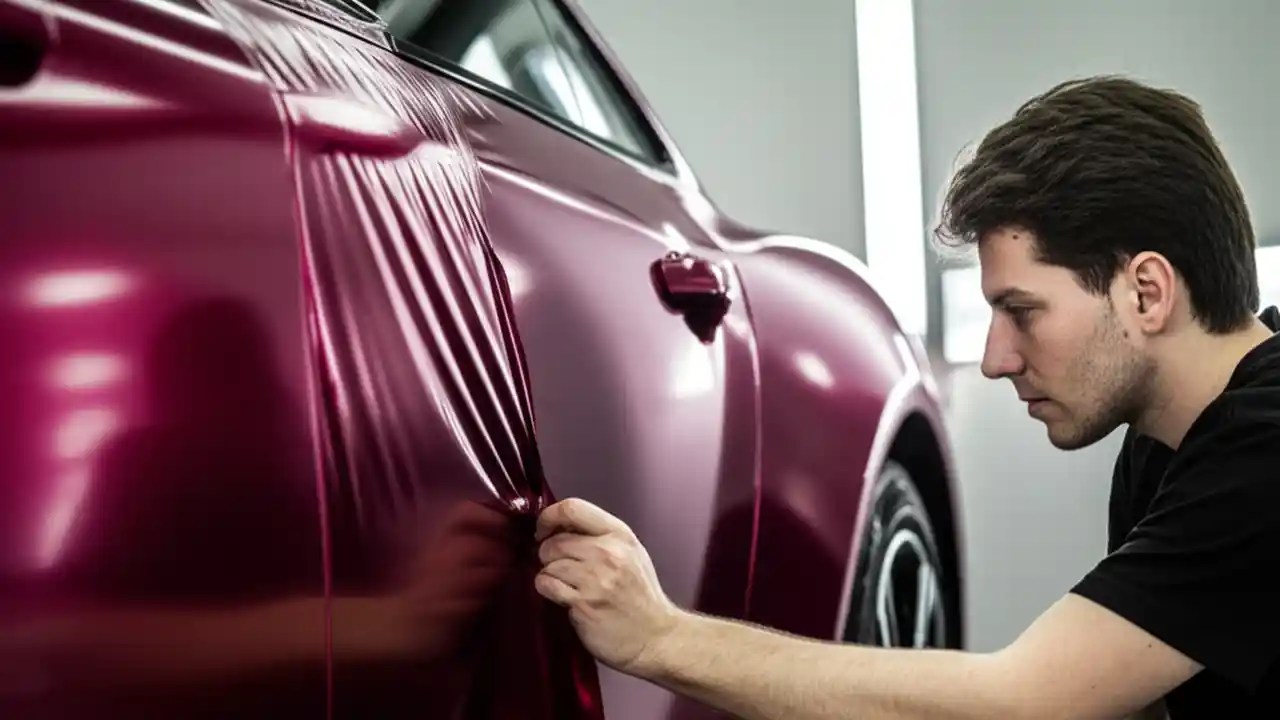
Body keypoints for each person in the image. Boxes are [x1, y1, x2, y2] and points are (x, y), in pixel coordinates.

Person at [533, 75, 1280, 719]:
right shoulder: (1171, 445)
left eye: (1021, 311)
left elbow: (1024, 701)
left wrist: (660, 637)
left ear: (1146, 292)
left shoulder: (1262, 449)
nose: (995, 358)